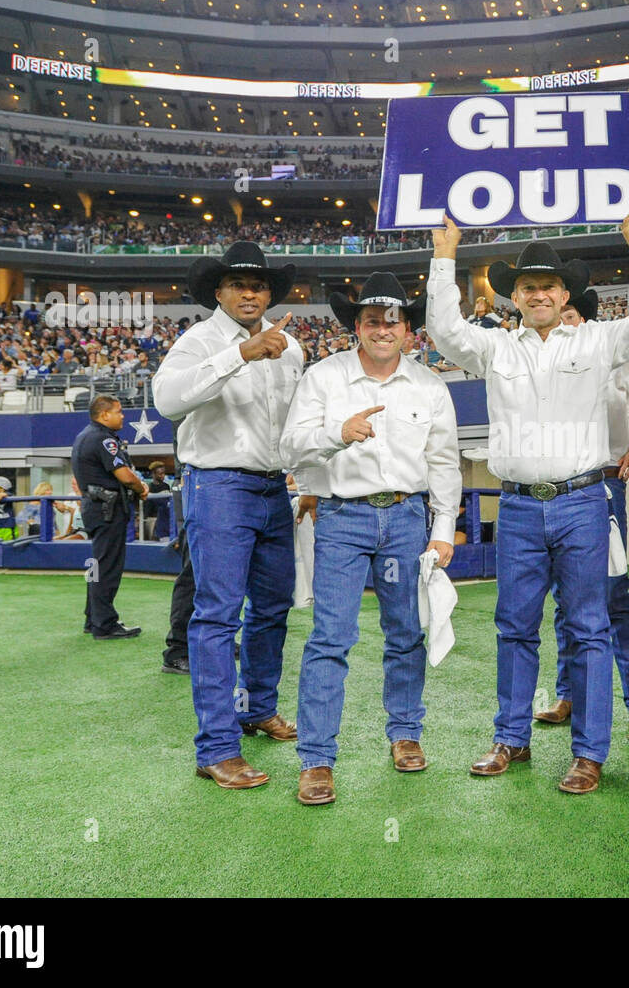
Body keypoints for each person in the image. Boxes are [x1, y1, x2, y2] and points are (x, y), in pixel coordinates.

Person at [426, 214, 629, 794]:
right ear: (512, 297)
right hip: (515, 508)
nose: (538, 294)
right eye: (527, 287)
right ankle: (510, 739)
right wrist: (444, 257)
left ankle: (589, 754)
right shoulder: (493, 347)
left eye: (548, 286)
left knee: (589, 627)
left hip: (582, 501)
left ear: (565, 294)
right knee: (513, 626)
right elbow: (442, 331)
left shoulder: (596, 339)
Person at [281, 272, 462, 806]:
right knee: (329, 640)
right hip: (341, 519)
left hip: (407, 519)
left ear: (408, 328)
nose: (383, 329)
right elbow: (290, 449)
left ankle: (405, 734)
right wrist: (337, 435)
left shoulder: (430, 385)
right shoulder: (323, 377)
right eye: (372, 321)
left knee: (406, 634)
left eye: (393, 320)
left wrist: (444, 529)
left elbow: (445, 463)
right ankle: (316, 760)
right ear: (356, 326)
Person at [153, 241, 317, 791]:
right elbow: (167, 400)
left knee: (272, 608)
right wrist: (239, 356)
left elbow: (296, 424)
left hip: (276, 488)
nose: (251, 292)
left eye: (260, 284)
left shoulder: (291, 347)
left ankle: (257, 710)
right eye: (239, 284)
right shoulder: (197, 340)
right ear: (218, 292)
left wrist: (309, 479)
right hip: (218, 485)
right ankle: (217, 748)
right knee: (219, 615)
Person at [535, 288, 629, 742]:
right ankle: (568, 694)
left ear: (584, 318)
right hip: (559, 488)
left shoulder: (615, 354)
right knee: (565, 596)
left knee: (611, 593)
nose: (563, 323)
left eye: (569, 314)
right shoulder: (546, 360)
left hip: (604, 480)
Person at [72, 395, 149, 639]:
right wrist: (141, 488)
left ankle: (92, 618)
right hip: (107, 510)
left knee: (98, 564)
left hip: (96, 508)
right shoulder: (102, 438)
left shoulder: (86, 435)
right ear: (104, 414)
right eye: (119, 411)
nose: (123, 415)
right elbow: (124, 475)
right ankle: (105, 624)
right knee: (107, 567)